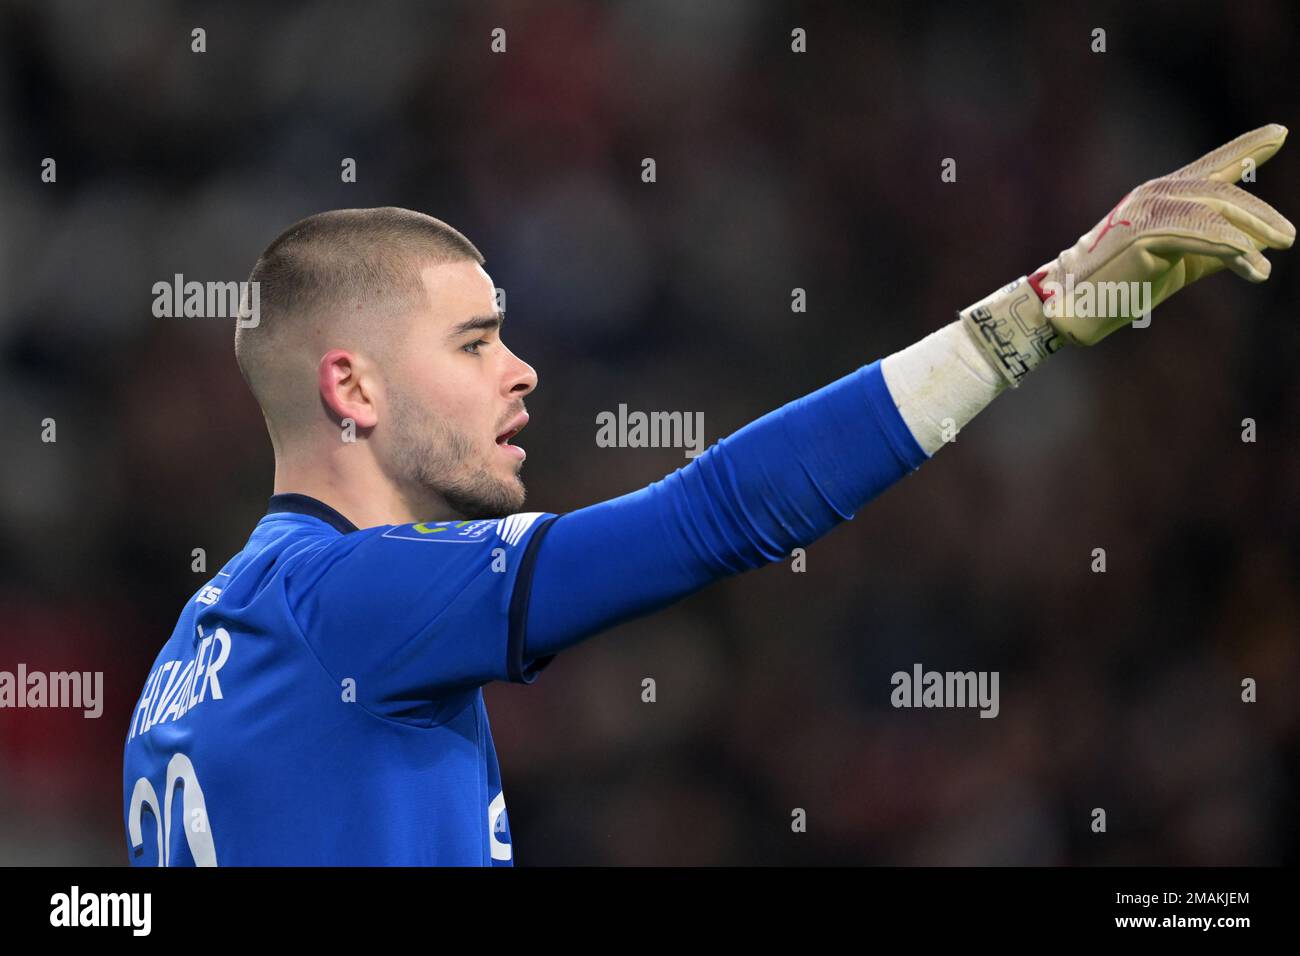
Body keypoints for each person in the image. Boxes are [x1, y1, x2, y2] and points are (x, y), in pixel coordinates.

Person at [123, 125, 1293, 865]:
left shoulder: (188, 656)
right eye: (475, 340)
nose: (521, 368)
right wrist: (1036, 309)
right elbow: (714, 512)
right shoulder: (355, 600)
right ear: (352, 385)